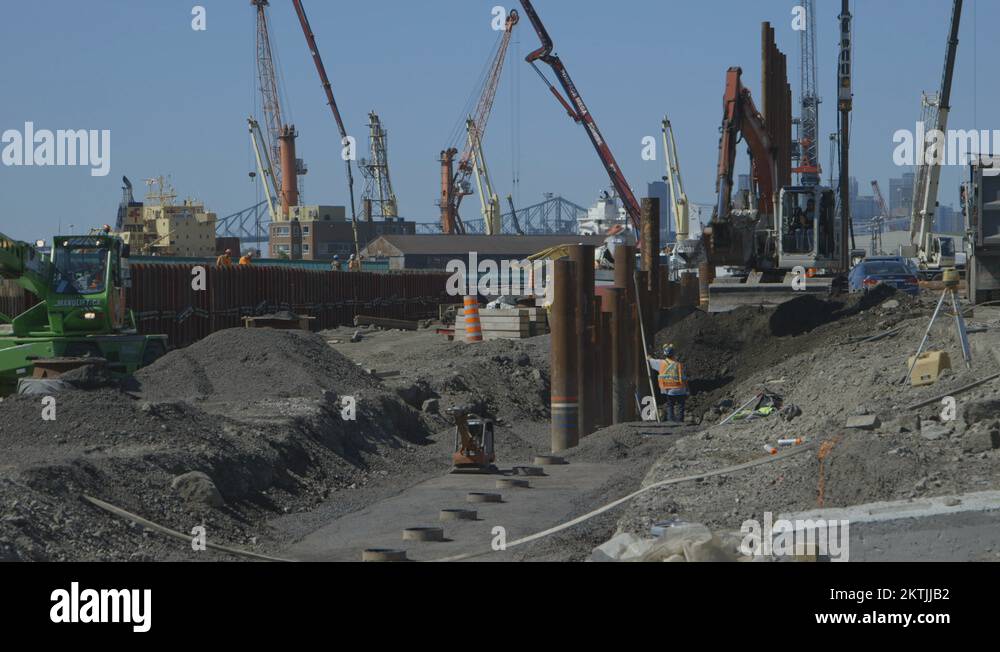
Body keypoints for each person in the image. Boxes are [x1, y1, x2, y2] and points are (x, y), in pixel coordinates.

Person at [647, 344, 690, 423]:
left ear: (665, 354)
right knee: (681, 406)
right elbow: (684, 379)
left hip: (669, 391)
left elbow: (650, 360)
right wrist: (687, 390)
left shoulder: (661, 363)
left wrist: (649, 356)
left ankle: (671, 421)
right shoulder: (678, 365)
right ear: (673, 354)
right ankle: (680, 421)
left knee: (670, 406)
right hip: (681, 389)